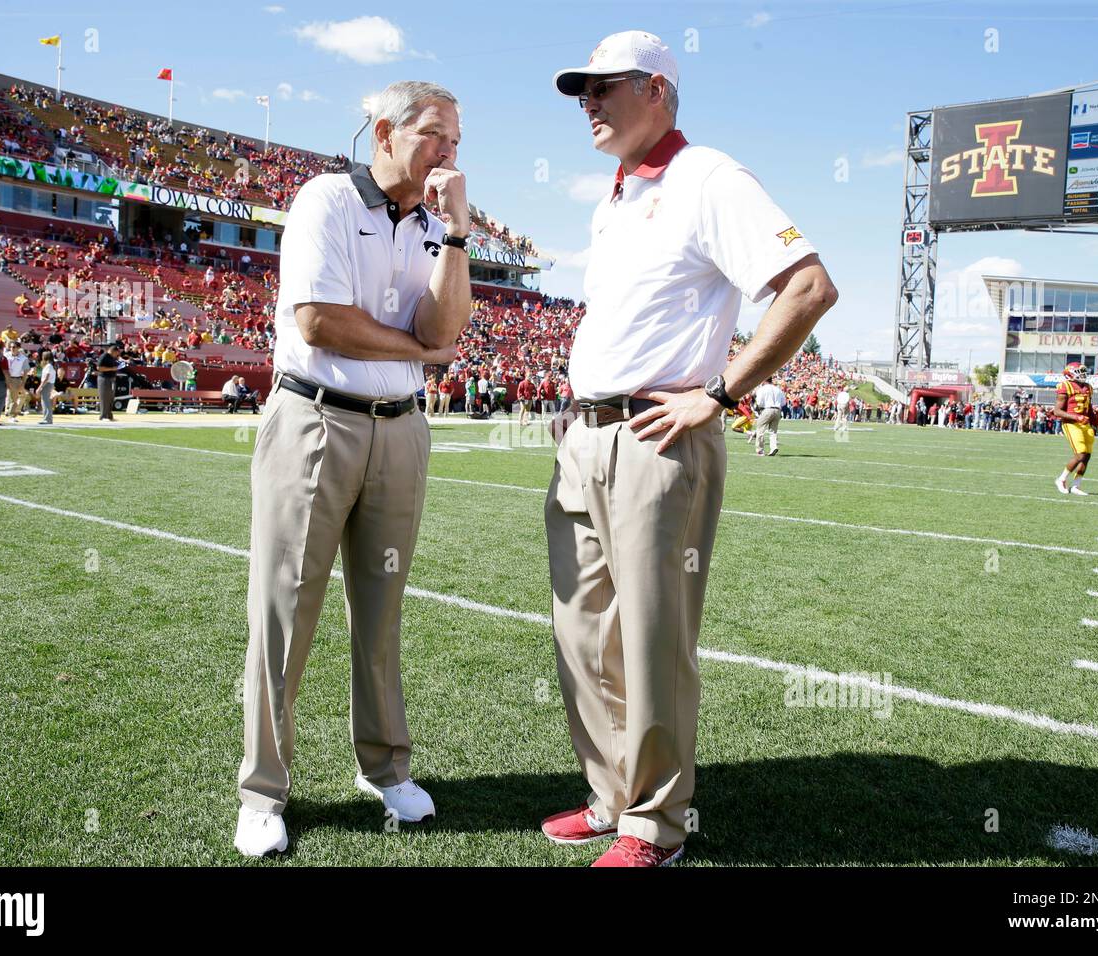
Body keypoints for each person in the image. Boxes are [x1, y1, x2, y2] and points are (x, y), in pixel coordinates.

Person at [543, 31, 837, 867]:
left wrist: (718, 395)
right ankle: (610, 795)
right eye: (581, 92)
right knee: (584, 636)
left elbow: (807, 286)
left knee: (651, 639)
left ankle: (655, 824)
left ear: (657, 89)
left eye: (603, 87)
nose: (588, 103)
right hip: (586, 433)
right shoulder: (616, 195)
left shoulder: (707, 175)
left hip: (654, 437)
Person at [235, 80, 470, 858]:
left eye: (456, 140)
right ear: (384, 132)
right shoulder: (327, 199)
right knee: (285, 611)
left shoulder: (435, 225)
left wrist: (460, 235)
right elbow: (321, 321)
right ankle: (264, 791)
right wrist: (421, 352)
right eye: (436, 134)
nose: (449, 151)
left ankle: (385, 767)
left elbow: (446, 327)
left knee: (382, 609)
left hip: (401, 430)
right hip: (317, 419)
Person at [1053, 362, 1096, 495]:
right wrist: (1076, 418)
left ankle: (1076, 486)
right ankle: (1061, 479)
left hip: (1086, 424)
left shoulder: (1088, 387)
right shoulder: (1065, 386)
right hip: (1071, 423)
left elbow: (1089, 408)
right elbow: (1057, 411)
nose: (1083, 374)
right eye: (1080, 371)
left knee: (1087, 456)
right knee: (1080, 453)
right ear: (1070, 373)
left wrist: (1095, 422)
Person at [753, 375, 785, 456]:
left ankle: (760, 450)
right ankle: (773, 447)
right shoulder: (778, 389)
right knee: (773, 431)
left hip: (767, 409)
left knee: (760, 429)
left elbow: (759, 402)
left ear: (764, 380)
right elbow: (784, 402)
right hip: (778, 410)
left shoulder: (762, 389)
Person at [3, 341, 30, 419]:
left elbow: (25, 372)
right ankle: (9, 412)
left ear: (18, 348)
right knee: (9, 395)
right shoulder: (6, 355)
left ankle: (15, 410)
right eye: (11, 347)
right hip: (7, 377)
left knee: (22, 395)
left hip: (16, 378)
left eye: (14, 347)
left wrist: (23, 383)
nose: (12, 349)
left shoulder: (23, 358)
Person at [96, 342, 122, 421]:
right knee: (104, 397)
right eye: (116, 353)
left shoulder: (112, 358)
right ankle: (103, 416)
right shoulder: (104, 356)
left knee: (111, 397)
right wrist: (112, 369)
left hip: (111, 378)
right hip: (104, 378)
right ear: (113, 351)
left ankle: (109, 415)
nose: (116, 355)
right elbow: (99, 368)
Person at [37, 350, 56, 424]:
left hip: (47, 384)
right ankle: (47, 418)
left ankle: (47, 419)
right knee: (45, 401)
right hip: (48, 384)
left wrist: (40, 387)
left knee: (45, 402)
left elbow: (46, 378)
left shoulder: (48, 366)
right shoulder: (50, 366)